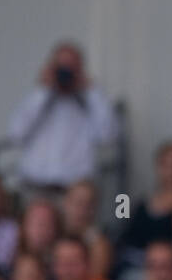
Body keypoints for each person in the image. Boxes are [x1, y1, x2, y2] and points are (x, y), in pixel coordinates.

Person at [9, 41, 118, 193]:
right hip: (35, 187)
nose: (66, 72)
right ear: (51, 67)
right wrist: (43, 90)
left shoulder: (88, 103)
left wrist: (92, 91)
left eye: (71, 68)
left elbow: (108, 136)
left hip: (73, 192)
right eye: (61, 67)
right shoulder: (38, 99)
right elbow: (17, 133)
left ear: (80, 69)